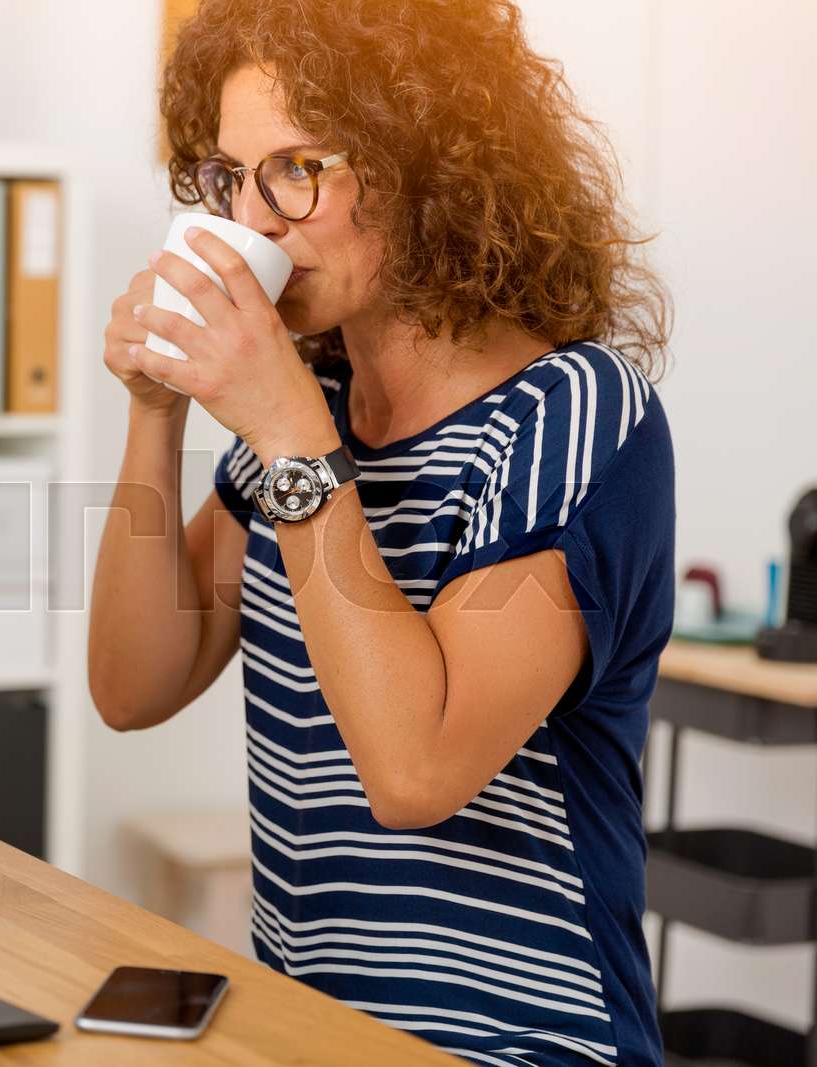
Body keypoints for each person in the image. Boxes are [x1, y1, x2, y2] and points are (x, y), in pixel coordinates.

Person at [88, 1, 674, 1064]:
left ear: (425, 163)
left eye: (296, 168)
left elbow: (414, 772)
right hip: (310, 1035)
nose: (255, 221)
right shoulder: (311, 413)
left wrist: (287, 432)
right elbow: (132, 688)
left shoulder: (574, 411)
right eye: (232, 177)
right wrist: (154, 410)